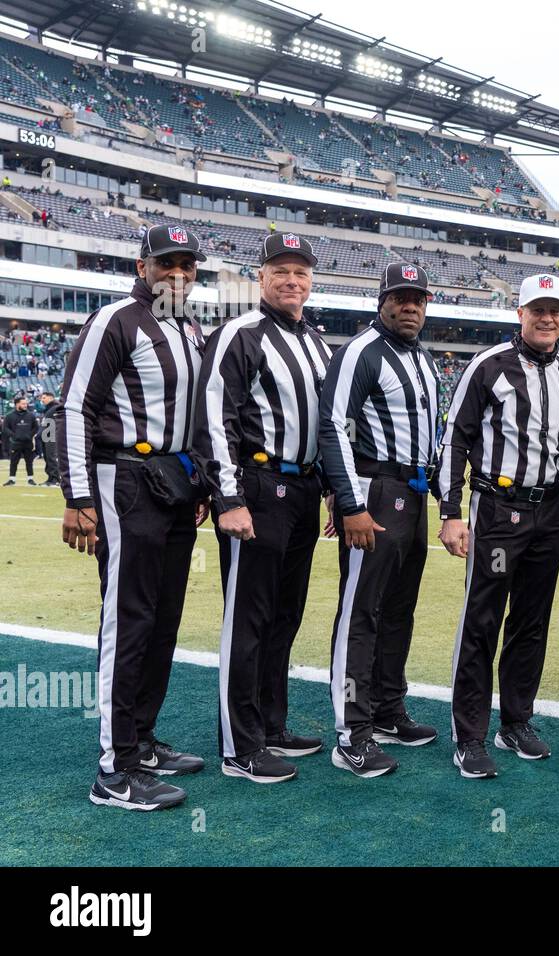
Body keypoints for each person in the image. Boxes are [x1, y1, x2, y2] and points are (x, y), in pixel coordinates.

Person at [54, 223, 209, 811]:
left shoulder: (189, 329)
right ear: (141, 265)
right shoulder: (115, 320)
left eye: (186, 265)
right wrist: (78, 496)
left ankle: (141, 741)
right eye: (165, 262)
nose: (177, 273)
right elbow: (76, 407)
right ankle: (114, 769)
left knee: (163, 617)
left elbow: (195, 418)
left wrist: (199, 485)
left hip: (171, 484)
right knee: (128, 618)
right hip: (124, 481)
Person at [437, 273, 559, 779]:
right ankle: (469, 735)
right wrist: (451, 511)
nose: (546, 318)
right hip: (497, 509)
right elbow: (455, 438)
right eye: (537, 309)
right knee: (481, 622)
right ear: (519, 314)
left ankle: (516, 720)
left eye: (555, 309)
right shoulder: (488, 367)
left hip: (547, 514)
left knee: (531, 622)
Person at [193, 232, 332, 784]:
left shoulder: (318, 344)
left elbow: (325, 425)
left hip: (301, 489)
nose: (291, 280)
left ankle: (272, 724)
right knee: (247, 618)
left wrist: (328, 490)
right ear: (261, 277)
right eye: (280, 271)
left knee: (284, 614)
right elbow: (214, 417)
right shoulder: (239, 334)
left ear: (311, 280)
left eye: (300, 272)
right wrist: (227, 497)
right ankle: (239, 744)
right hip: (257, 485)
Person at [318, 263, 441, 778]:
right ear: (382, 300)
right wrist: (349, 502)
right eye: (400, 298)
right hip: (375, 488)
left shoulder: (422, 358)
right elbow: (333, 428)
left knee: (398, 609)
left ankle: (388, 709)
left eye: (418, 299)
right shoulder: (362, 353)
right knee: (361, 612)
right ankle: (352, 732)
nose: (410, 307)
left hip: (411, 493)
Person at [3, 395, 38, 485]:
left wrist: (29, 435)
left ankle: (30, 479)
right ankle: (12, 480)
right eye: (23, 404)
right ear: (17, 404)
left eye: (26, 404)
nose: (25, 405)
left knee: (29, 461)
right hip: (16, 443)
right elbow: (5, 428)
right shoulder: (9, 416)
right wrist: (14, 435)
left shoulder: (31, 415)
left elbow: (36, 427)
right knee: (13, 462)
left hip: (28, 443)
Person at [37, 390, 61, 485]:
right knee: (47, 458)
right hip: (46, 436)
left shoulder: (56, 407)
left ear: (51, 398)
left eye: (44, 398)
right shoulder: (47, 409)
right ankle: (50, 478)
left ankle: (56, 479)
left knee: (51, 457)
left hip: (52, 436)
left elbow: (55, 423)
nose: (42, 400)